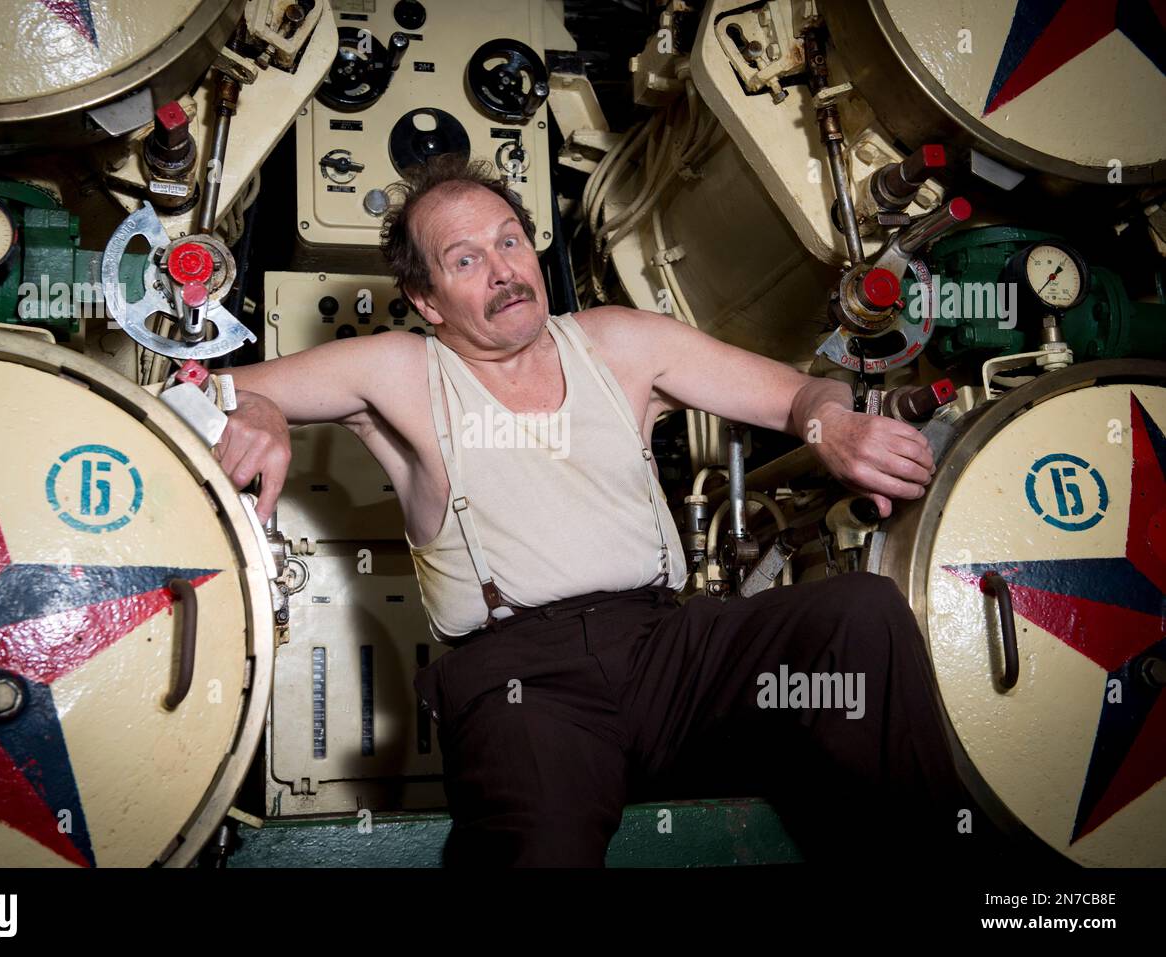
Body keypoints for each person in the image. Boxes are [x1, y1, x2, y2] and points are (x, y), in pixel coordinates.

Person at [218, 153, 998, 867]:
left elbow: (801, 392)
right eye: (466, 260)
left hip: (670, 657)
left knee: (858, 614)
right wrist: (260, 411)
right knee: (540, 843)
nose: (504, 271)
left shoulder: (617, 342)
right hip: (520, 682)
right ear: (426, 300)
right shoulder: (396, 370)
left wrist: (837, 423)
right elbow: (221, 390)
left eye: (511, 242)